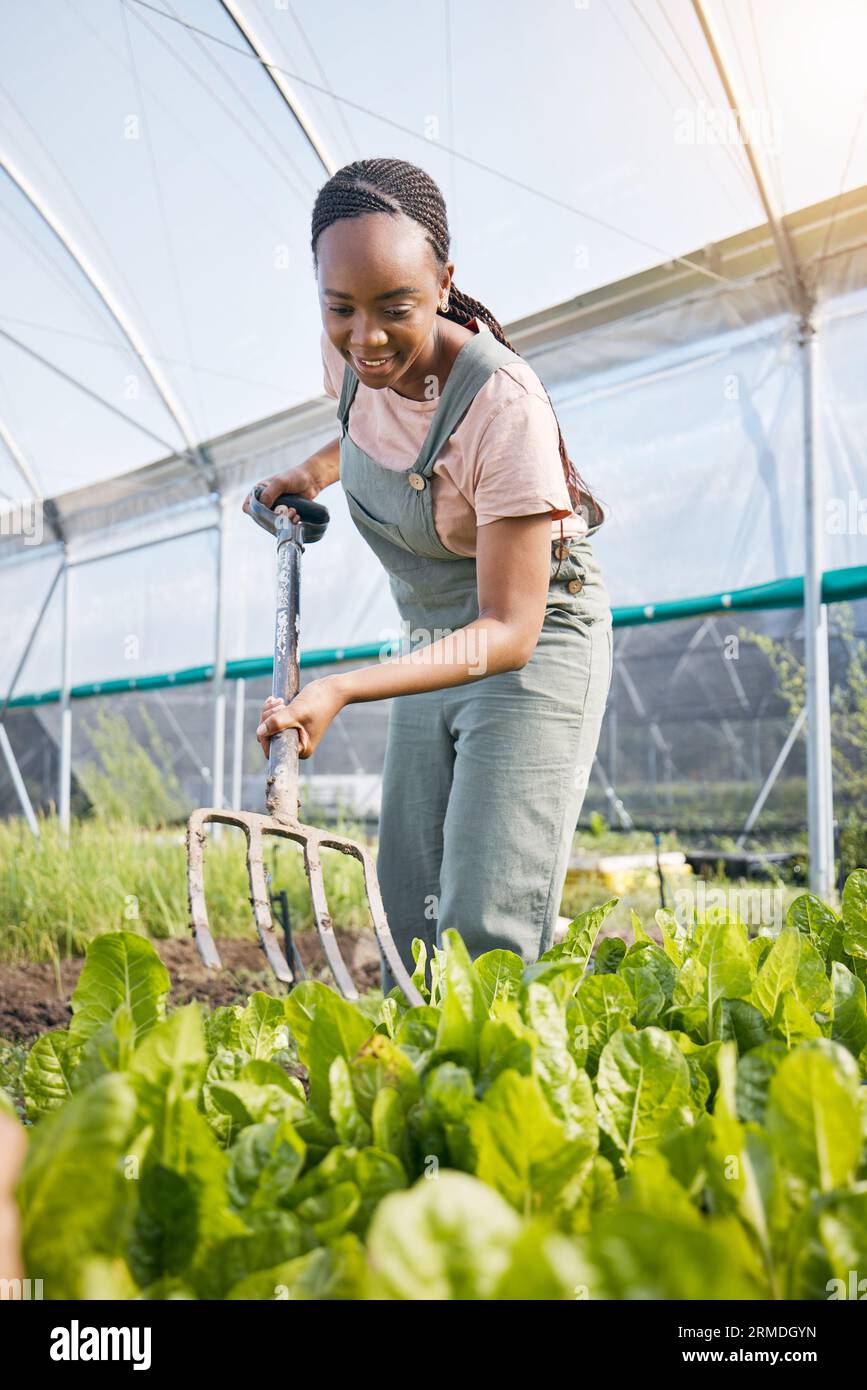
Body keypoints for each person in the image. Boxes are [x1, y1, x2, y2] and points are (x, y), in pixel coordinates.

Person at [252, 157, 613, 993]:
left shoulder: (503, 405)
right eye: (339, 307)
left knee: (481, 922)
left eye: (395, 309)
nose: (365, 338)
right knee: (407, 913)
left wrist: (341, 688)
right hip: (433, 639)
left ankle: (494, 1108)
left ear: (444, 283)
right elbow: (366, 429)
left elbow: (508, 630)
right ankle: (406, 1104)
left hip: (531, 640)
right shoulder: (350, 353)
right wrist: (309, 473)